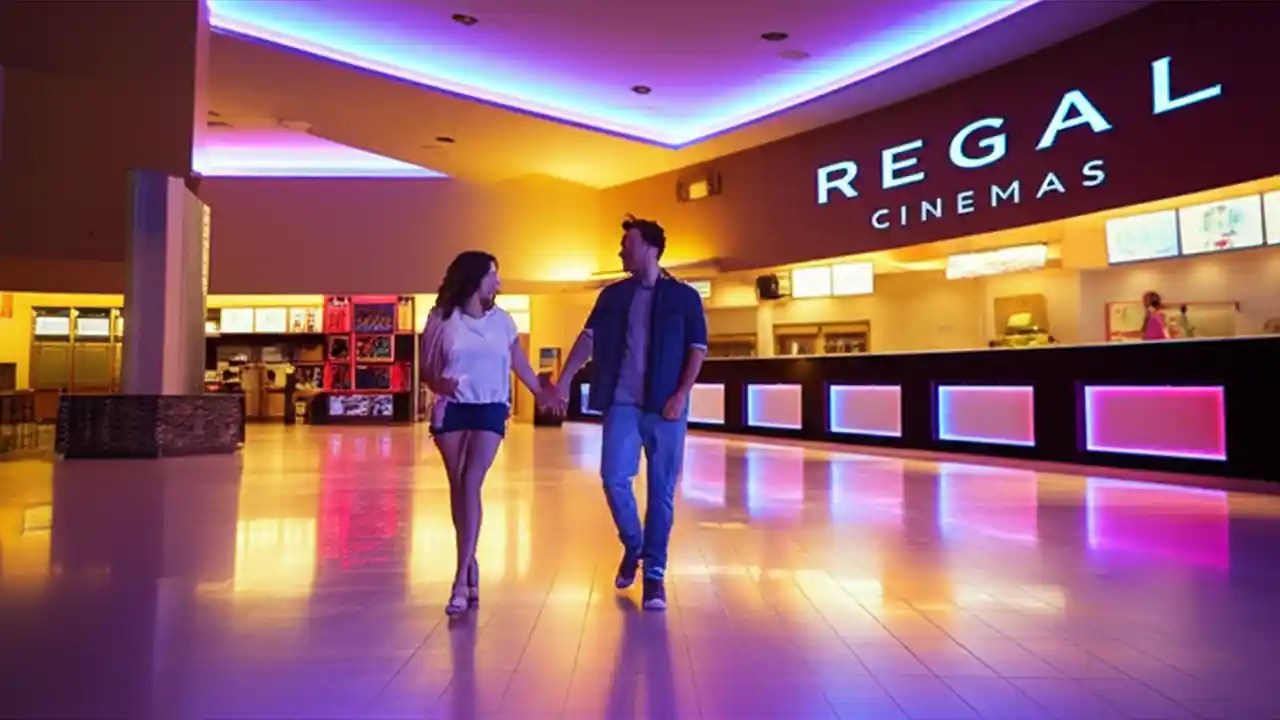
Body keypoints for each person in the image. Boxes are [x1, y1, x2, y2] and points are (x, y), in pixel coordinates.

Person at [555, 215, 708, 611]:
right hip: (621, 401)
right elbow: (586, 339)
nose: (621, 250)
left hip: (666, 406)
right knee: (613, 478)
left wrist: (681, 394)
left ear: (650, 248)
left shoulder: (684, 297)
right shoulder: (613, 296)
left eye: (628, 243)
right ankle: (635, 546)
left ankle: (654, 575)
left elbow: (697, 349)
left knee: (662, 492)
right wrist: (564, 380)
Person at [420, 251, 557, 615]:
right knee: (457, 485)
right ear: (474, 278)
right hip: (452, 407)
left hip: (491, 406)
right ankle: (471, 560)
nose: (498, 282)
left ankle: (460, 577)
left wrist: (543, 393)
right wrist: (439, 382)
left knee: (471, 481)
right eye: (493, 275)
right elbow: (426, 370)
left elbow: (520, 365)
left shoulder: (504, 323)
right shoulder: (440, 319)